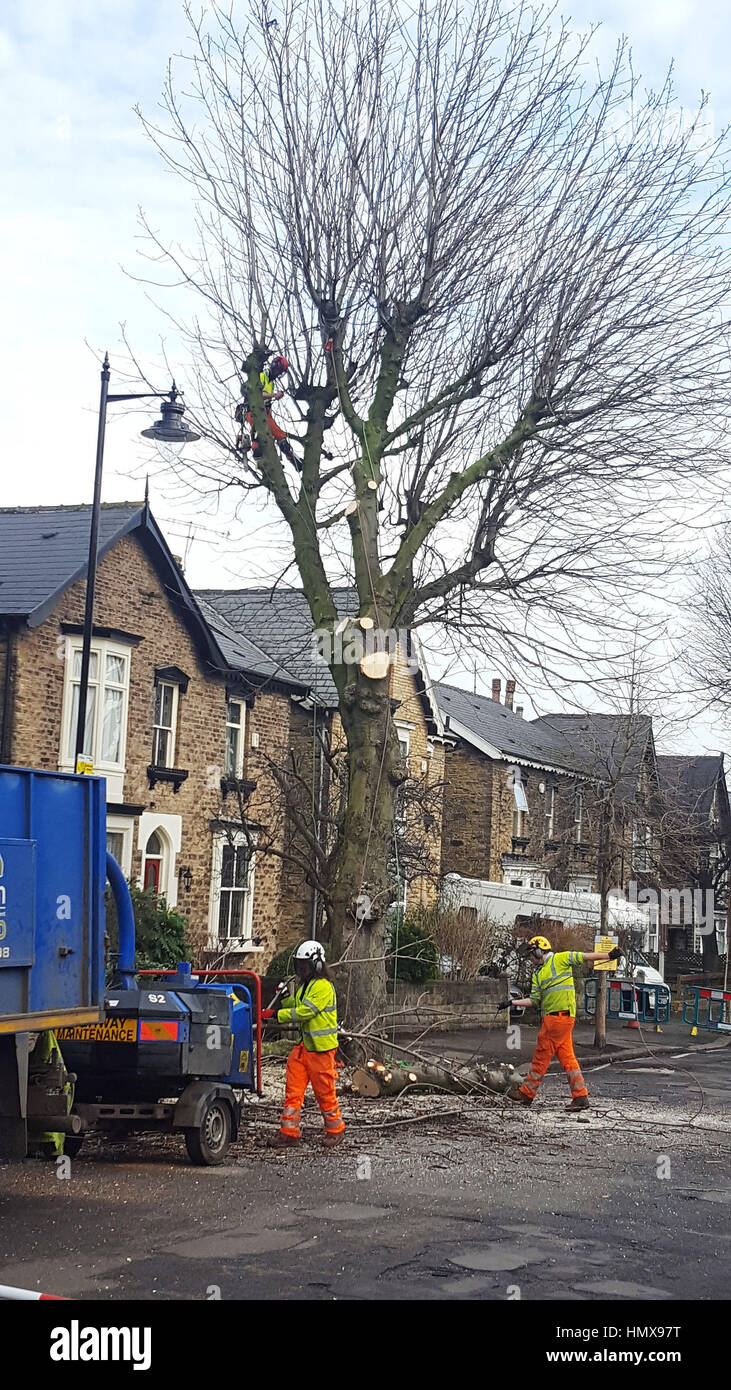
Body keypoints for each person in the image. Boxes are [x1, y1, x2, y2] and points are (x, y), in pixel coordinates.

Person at [499, 934, 622, 1111]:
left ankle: (526, 1094)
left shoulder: (560, 959)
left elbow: (585, 956)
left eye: (532, 954)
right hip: (565, 1018)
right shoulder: (538, 974)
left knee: (541, 1056)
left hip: (555, 1019)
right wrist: (511, 1003)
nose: (530, 959)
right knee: (568, 1058)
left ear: (540, 950)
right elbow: (534, 1000)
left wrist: (608, 956)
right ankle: (580, 1097)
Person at [261, 939, 345, 1147]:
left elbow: (305, 1012)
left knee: (325, 1092)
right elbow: (296, 1005)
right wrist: (285, 997)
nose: (300, 969)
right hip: (303, 1047)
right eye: (298, 965)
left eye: (304, 965)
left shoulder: (323, 987)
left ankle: (336, 1129)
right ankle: (289, 1132)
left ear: (316, 964)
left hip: (320, 1049)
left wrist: (275, 1014)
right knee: (293, 1091)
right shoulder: (305, 986)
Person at [235, 354, 299, 468]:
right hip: (252, 411)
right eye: (279, 370)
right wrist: (274, 395)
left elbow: (267, 401)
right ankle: (266, 450)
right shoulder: (261, 375)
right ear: (274, 366)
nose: (279, 373)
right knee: (272, 429)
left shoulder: (271, 383)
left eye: (281, 372)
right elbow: (258, 394)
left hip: (264, 413)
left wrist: (270, 402)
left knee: (274, 431)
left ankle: (282, 455)